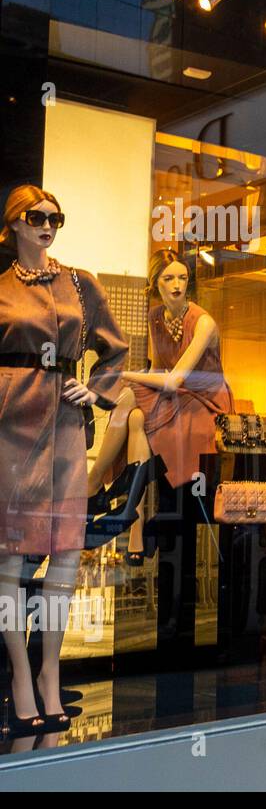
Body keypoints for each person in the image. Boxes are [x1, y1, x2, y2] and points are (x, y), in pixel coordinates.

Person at [0, 185, 128, 735]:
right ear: (14, 224)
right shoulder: (0, 289)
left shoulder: (81, 283)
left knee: (66, 557)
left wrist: (95, 390)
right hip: (10, 428)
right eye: (38, 217)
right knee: (10, 559)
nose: (49, 225)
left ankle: (51, 671)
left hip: (68, 430)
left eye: (57, 217)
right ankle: (20, 673)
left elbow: (117, 351)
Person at [87, 248, 233, 564]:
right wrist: (136, 378)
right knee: (136, 417)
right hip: (171, 395)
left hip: (202, 400)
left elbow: (173, 379)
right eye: (169, 278)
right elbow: (158, 369)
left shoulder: (203, 322)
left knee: (127, 394)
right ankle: (135, 536)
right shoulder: (156, 317)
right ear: (156, 283)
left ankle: (94, 481)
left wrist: (121, 374)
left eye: (182, 277)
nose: (177, 284)